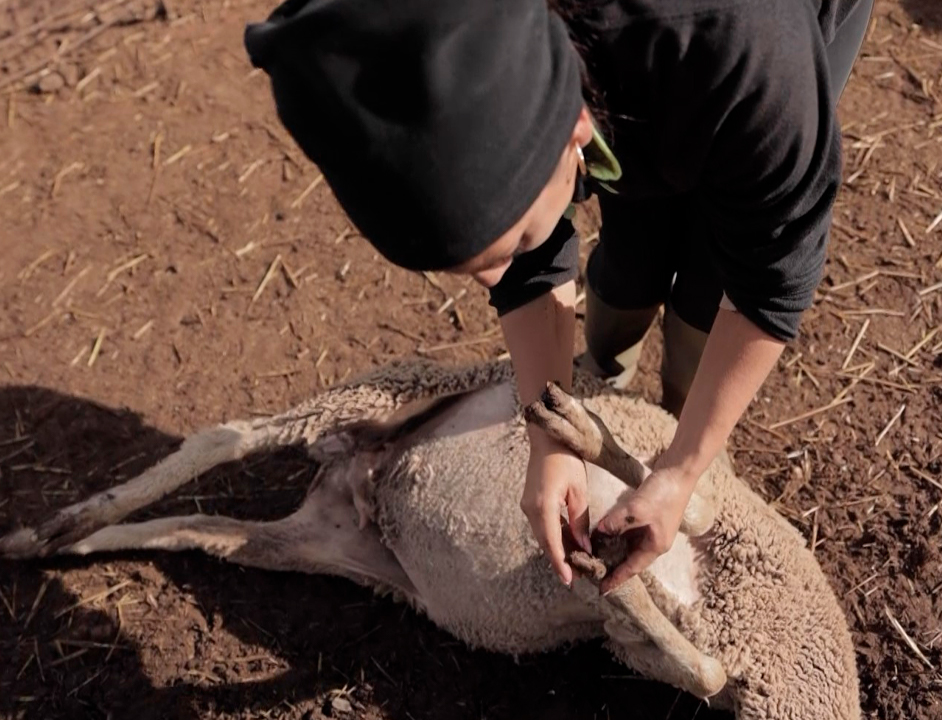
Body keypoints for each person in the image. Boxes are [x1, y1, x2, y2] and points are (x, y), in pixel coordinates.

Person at [243, 0, 875, 594]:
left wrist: (683, 468)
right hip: (630, 79)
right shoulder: (476, 45)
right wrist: (550, 437)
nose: (495, 290)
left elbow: (771, 279)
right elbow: (523, 260)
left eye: (512, 243)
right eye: (474, 272)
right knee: (633, 250)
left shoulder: (749, 63)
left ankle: (682, 410)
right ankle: (608, 370)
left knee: (714, 274)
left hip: (767, 37)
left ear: (576, 126)